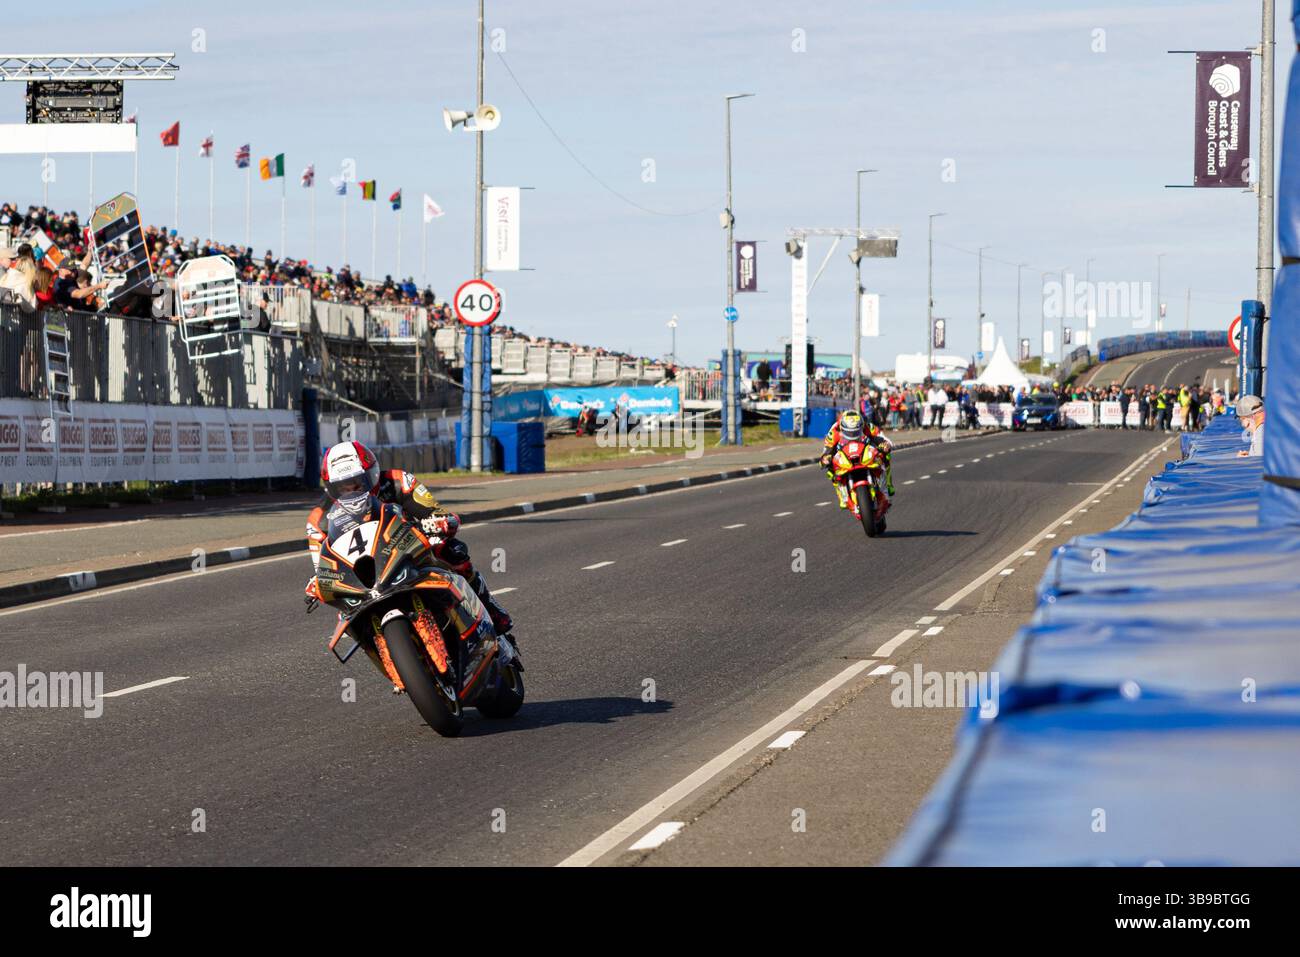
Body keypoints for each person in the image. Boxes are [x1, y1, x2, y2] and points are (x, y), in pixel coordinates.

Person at [305, 441, 515, 637]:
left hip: (406, 547)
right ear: (331, 488)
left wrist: (440, 522)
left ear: (372, 475)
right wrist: (319, 581)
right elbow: (323, 565)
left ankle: (489, 607)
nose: (352, 491)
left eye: (358, 484)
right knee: (344, 613)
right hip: (365, 572)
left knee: (452, 550)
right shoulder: (319, 519)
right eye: (343, 487)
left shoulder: (398, 482)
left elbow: (435, 511)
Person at [819, 409, 894, 507]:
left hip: (865, 451)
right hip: (844, 454)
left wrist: (885, 445)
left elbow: (882, 439)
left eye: (856, 432)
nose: (852, 435)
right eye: (849, 433)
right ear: (842, 428)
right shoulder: (834, 431)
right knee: (830, 468)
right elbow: (827, 450)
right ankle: (842, 496)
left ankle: (888, 485)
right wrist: (826, 458)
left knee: (885, 454)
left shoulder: (868, 426)